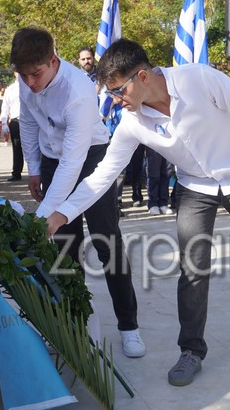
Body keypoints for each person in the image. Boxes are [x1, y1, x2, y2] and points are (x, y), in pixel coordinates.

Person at [45, 39, 230, 387]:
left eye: (118, 91)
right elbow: (103, 174)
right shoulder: (132, 123)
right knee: (192, 269)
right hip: (195, 188)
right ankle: (191, 350)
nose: (115, 101)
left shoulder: (199, 78)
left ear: (143, 77)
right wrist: (62, 213)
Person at [10, 27, 145, 358]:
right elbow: (27, 123)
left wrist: (41, 219)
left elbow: (75, 162)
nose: (30, 82)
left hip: (91, 159)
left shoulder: (78, 91)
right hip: (53, 161)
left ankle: (129, 326)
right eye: (23, 75)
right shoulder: (27, 80)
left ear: (53, 61)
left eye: (36, 74)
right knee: (63, 250)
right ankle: (73, 322)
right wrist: (35, 169)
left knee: (107, 244)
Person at [0, 75, 23, 180]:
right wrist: (4, 123)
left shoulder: (31, 85)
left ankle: (37, 173)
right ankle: (16, 172)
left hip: (31, 121)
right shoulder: (10, 89)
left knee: (35, 147)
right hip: (15, 120)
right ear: (14, 73)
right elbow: (5, 106)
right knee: (16, 147)